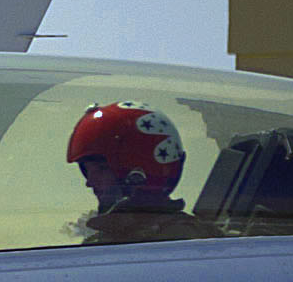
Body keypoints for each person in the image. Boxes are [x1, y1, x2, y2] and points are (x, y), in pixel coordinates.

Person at [67, 101, 216, 245]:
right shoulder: (116, 239)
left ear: (137, 174)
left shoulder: (180, 243)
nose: (90, 182)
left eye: (100, 169)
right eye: (87, 171)